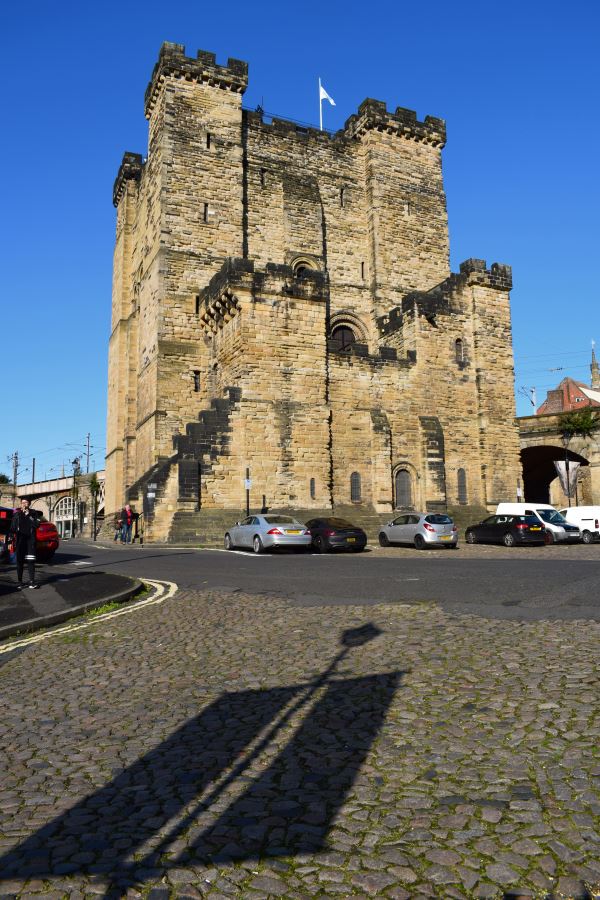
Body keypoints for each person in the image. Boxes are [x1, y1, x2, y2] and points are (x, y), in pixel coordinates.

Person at [9, 498, 40, 589]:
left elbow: (37, 525)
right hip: (20, 541)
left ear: (29, 504)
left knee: (31, 561)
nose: (24, 504)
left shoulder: (34, 513)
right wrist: (10, 540)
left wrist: (29, 515)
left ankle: (31, 582)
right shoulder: (17, 514)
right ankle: (20, 582)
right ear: (20, 504)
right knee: (20, 562)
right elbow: (12, 528)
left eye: (26, 502)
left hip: (30, 541)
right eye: (22, 502)